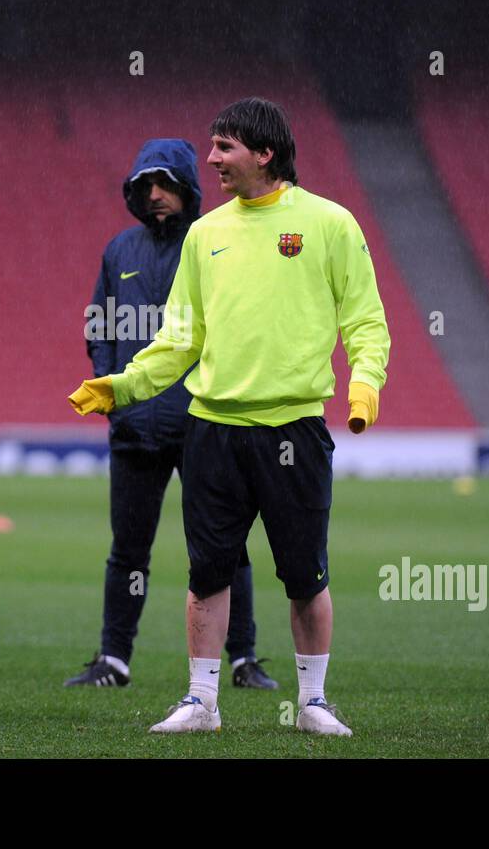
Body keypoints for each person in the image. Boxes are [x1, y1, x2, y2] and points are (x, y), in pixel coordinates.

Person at [70, 98, 389, 735]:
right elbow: (179, 339)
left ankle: (313, 703)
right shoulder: (206, 234)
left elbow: (366, 321)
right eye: (212, 147)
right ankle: (201, 702)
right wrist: (125, 385)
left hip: (293, 429)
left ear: (263, 153)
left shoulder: (329, 224)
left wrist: (365, 387)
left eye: (224, 148)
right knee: (208, 571)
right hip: (211, 428)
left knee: (305, 574)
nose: (210, 159)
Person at [65, 139, 277, 691]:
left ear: (188, 188)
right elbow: (100, 327)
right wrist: (115, 396)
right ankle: (114, 660)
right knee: (128, 550)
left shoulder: (215, 245)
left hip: (202, 425)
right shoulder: (119, 252)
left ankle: (243, 659)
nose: (154, 195)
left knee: (225, 547)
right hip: (134, 431)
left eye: (164, 185)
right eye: (143, 187)